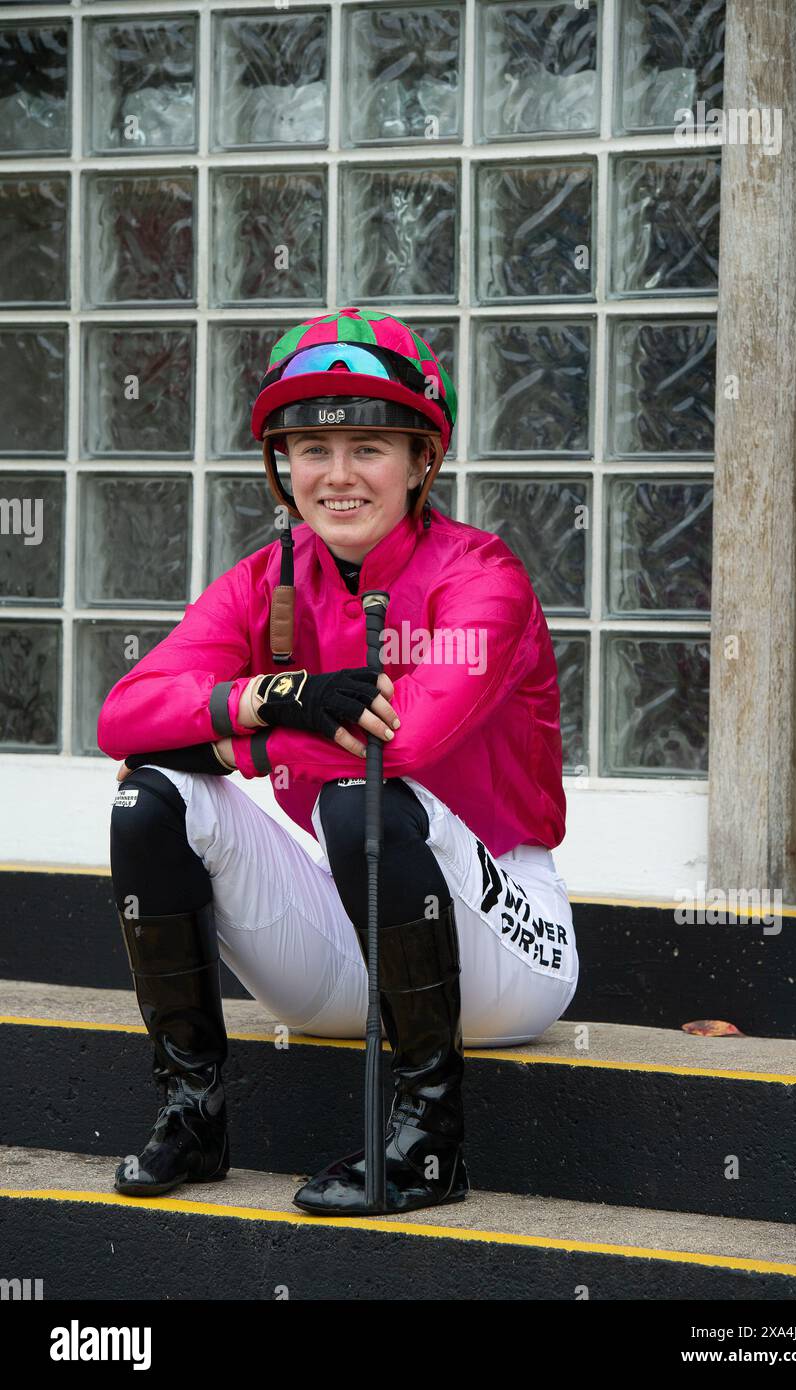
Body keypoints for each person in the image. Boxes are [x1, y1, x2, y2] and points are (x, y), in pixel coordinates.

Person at [98, 306, 578, 1217]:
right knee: (150, 795)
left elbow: (411, 742)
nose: (338, 474)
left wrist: (231, 734)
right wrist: (272, 698)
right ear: (283, 465)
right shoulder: (261, 580)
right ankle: (192, 1117)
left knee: (361, 796)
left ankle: (429, 1146)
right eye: (312, 448)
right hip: (343, 937)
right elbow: (122, 717)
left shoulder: (485, 576)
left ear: (422, 461)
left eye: (369, 445)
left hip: (508, 961)